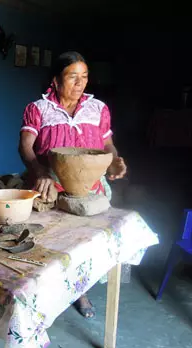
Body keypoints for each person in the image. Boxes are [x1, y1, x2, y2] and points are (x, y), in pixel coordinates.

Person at [18, 51, 127, 318]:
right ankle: (44, 294)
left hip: (90, 189)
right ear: (55, 80)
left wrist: (113, 162)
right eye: (72, 77)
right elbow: (25, 147)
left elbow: (107, 144)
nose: (80, 83)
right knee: (51, 246)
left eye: (85, 77)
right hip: (50, 188)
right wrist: (40, 171)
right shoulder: (39, 108)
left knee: (84, 245)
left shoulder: (98, 108)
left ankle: (80, 290)